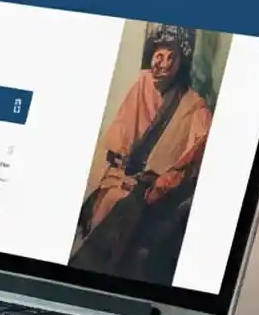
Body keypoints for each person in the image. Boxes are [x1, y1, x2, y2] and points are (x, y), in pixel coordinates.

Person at [69, 23, 213, 284]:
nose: (163, 64)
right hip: (123, 173)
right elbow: (119, 135)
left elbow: (197, 151)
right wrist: (122, 165)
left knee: (126, 205)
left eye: (172, 58)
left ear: (182, 63)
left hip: (156, 187)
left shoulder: (194, 105)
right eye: (159, 56)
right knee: (112, 195)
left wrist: (163, 179)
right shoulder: (142, 84)